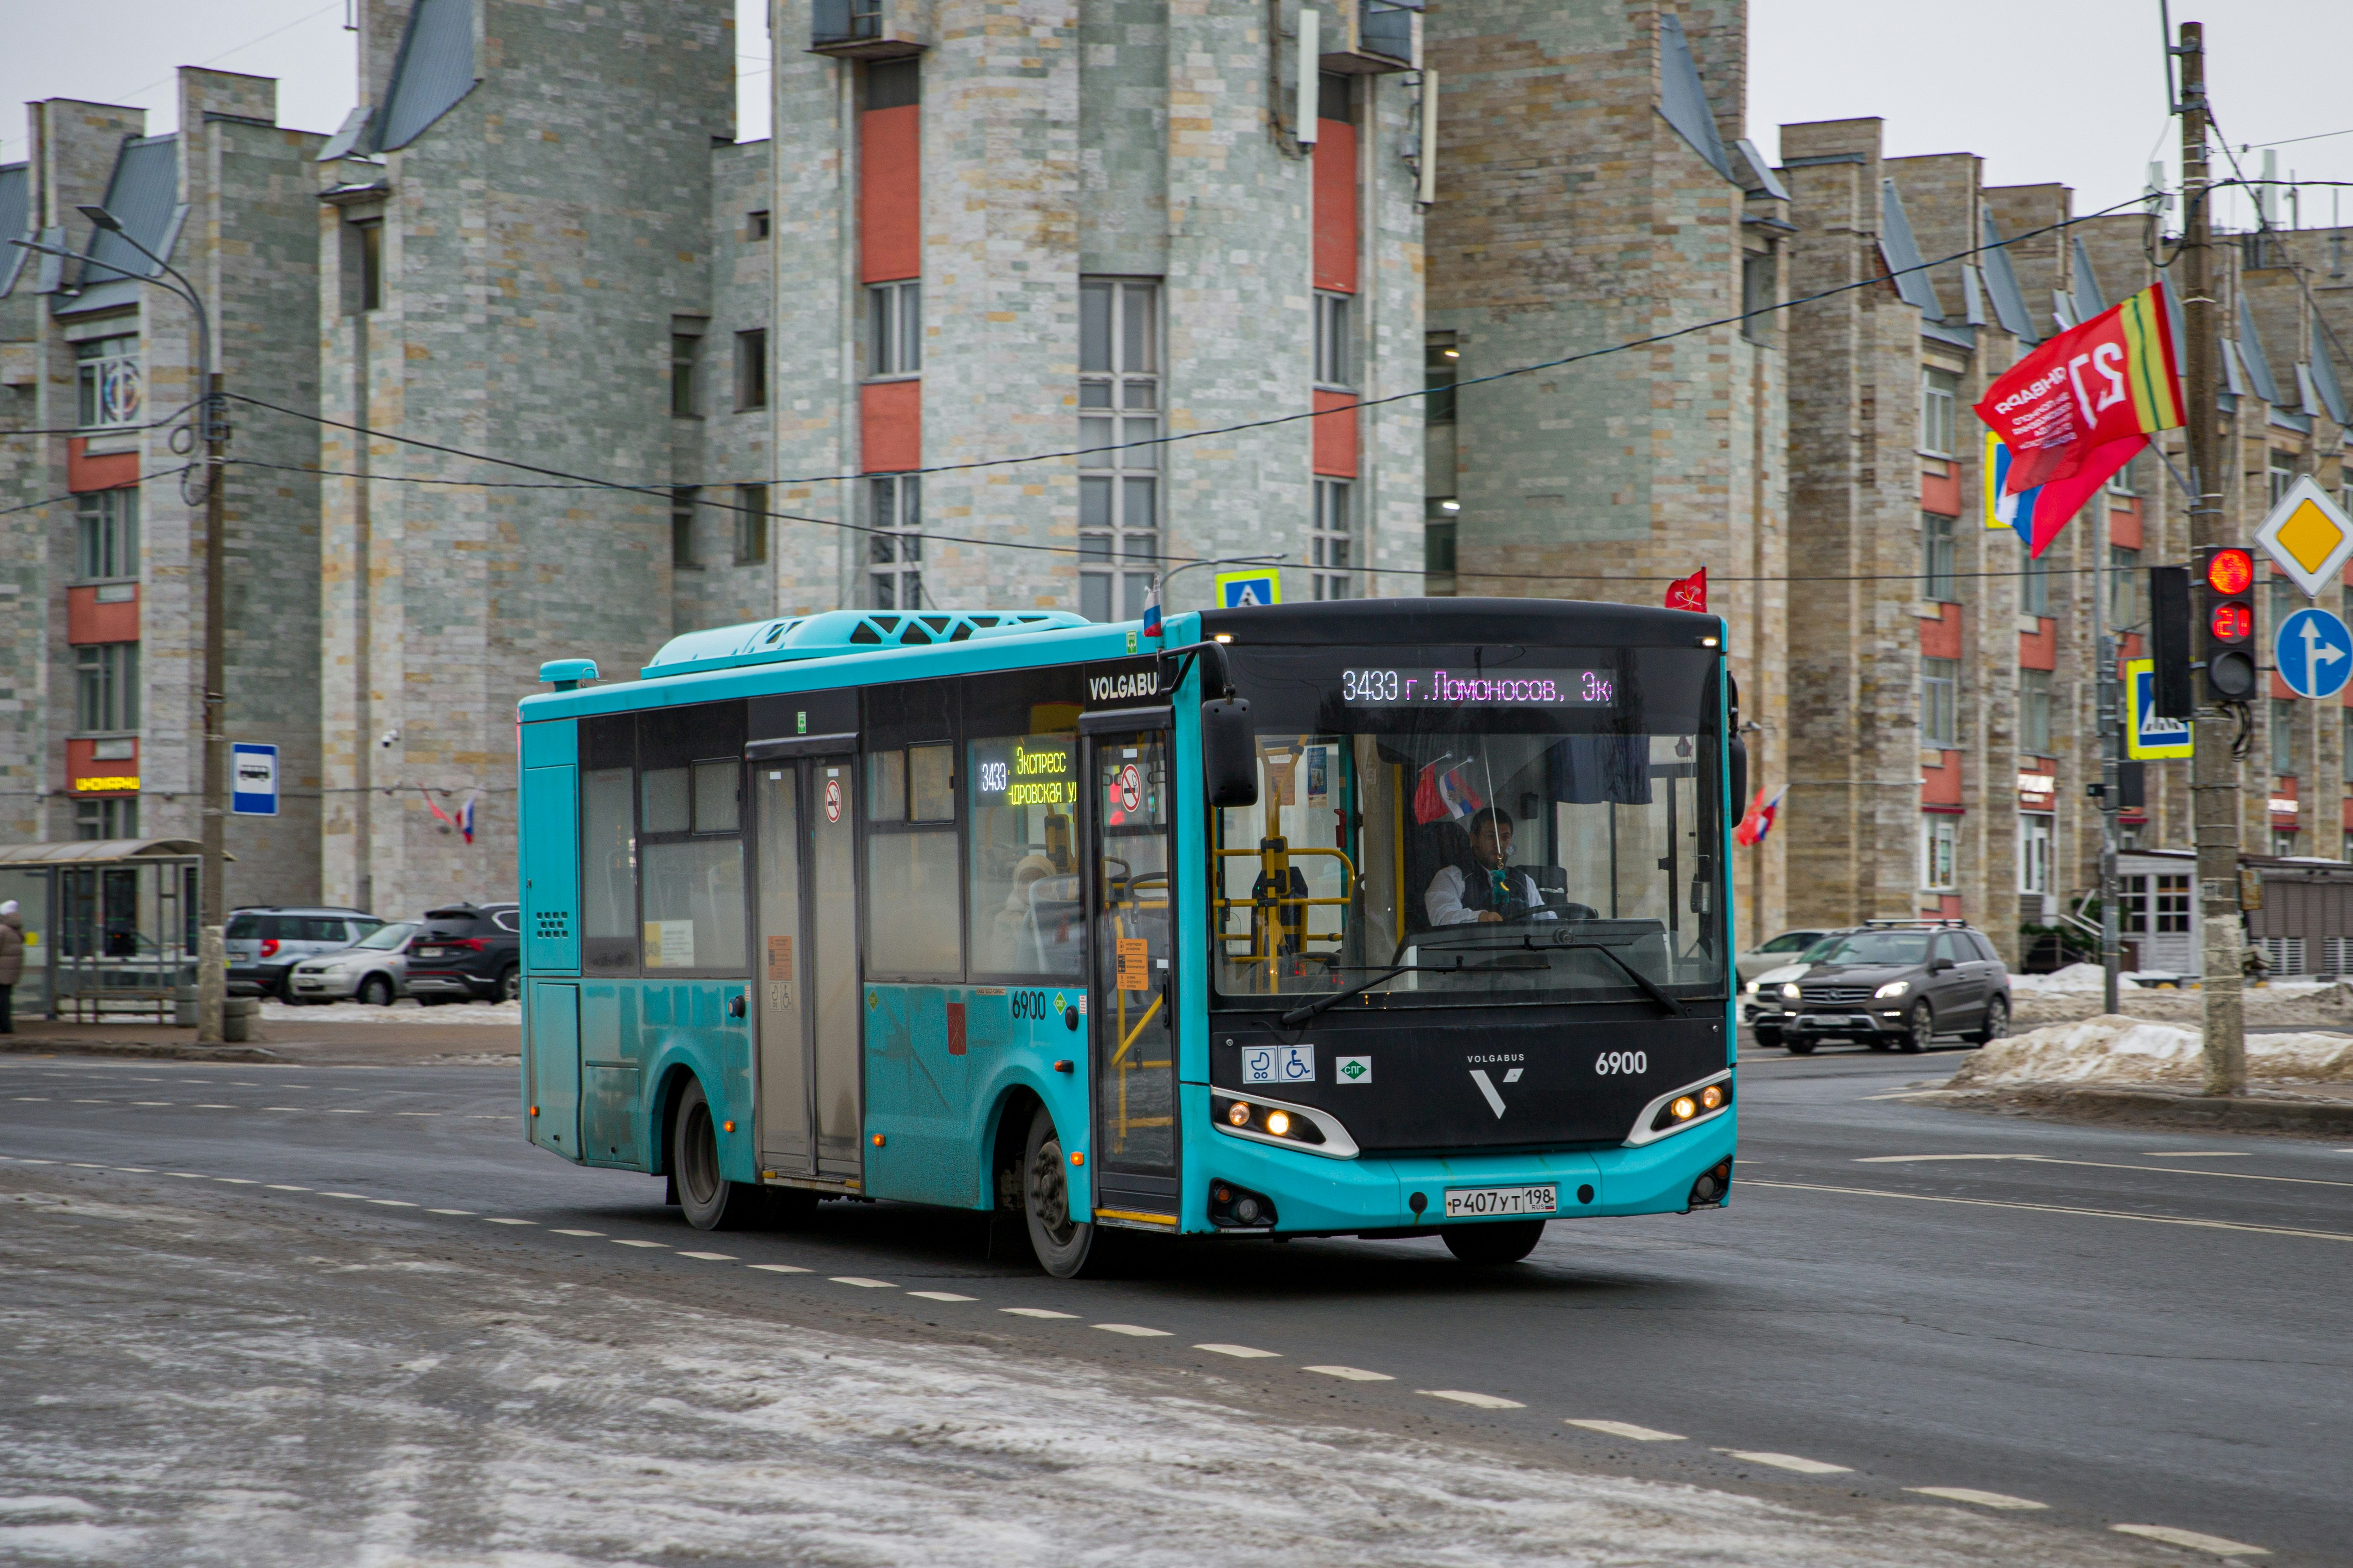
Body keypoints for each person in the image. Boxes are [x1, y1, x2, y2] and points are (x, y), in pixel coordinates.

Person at [1425, 807, 1555, 926]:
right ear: (1474, 839)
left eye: (1505, 838)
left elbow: (1548, 921)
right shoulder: (1451, 877)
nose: (1499, 845)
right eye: (1491, 837)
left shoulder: (1524, 882)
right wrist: (1480, 918)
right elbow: (1442, 917)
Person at [0, 899, 23, 1034]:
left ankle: (3, 1025)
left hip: (2, 970)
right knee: (6, 997)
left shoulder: (2, 930)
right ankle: (6, 1025)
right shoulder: (17, 930)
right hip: (11, 970)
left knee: (2, 999)